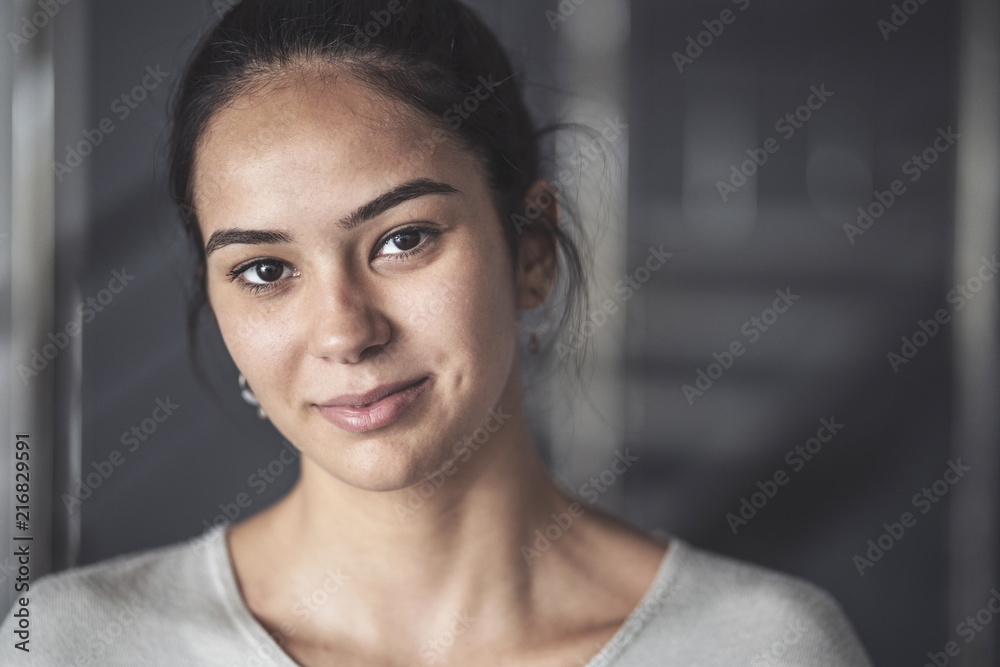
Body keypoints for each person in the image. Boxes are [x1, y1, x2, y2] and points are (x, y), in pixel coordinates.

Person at [1, 1, 873, 664]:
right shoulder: (74, 644)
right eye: (265, 270)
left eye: (402, 239)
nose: (345, 330)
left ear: (530, 248)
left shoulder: (760, 646)